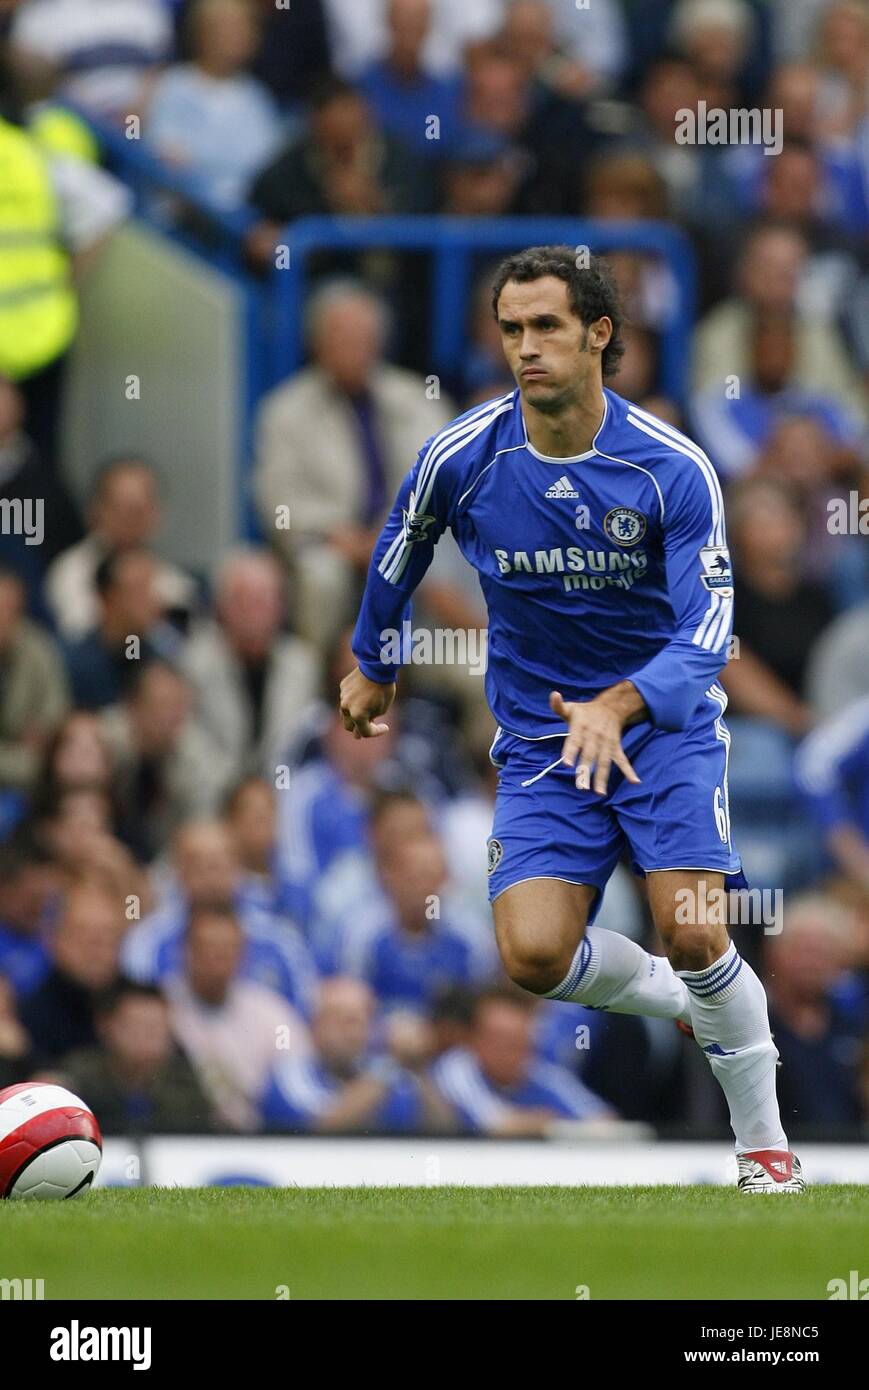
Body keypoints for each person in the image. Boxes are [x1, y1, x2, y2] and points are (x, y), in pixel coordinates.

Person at [340, 244, 805, 1192]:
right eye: (510, 330)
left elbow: (710, 629)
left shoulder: (670, 469)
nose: (525, 348)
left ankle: (764, 1151)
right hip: (543, 743)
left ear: (598, 334)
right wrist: (372, 659)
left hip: (661, 730)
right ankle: (681, 999)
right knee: (534, 955)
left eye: (546, 326)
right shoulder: (463, 455)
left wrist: (622, 701)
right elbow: (402, 538)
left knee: (693, 926)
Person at [261, 976, 455, 1133]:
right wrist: (389, 1065)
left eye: (363, 1022)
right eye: (345, 1022)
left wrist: (420, 1071)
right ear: (316, 1026)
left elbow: (446, 1129)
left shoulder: (385, 1074)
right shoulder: (291, 1074)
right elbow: (321, 1130)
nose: (355, 1034)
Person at [43, 455, 197, 642]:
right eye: (120, 509)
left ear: (156, 514)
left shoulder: (177, 585)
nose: (129, 521)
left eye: (138, 510)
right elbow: (78, 639)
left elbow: (185, 648)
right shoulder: (71, 572)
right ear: (96, 510)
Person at [431, 986, 610, 1135]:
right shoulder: (456, 1067)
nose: (510, 1051)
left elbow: (604, 1121)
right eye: (500, 1040)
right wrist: (550, 1123)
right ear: (474, 1039)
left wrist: (551, 1124)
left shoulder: (540, 1071)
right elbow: (494, 1125)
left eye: (519, 1041)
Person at [59, 979, 217, 1134]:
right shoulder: (80, 1073)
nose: (146, 1036)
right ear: (106, 1026)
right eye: (136, 1026)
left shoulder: (185, 1082)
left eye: (155, 1027)